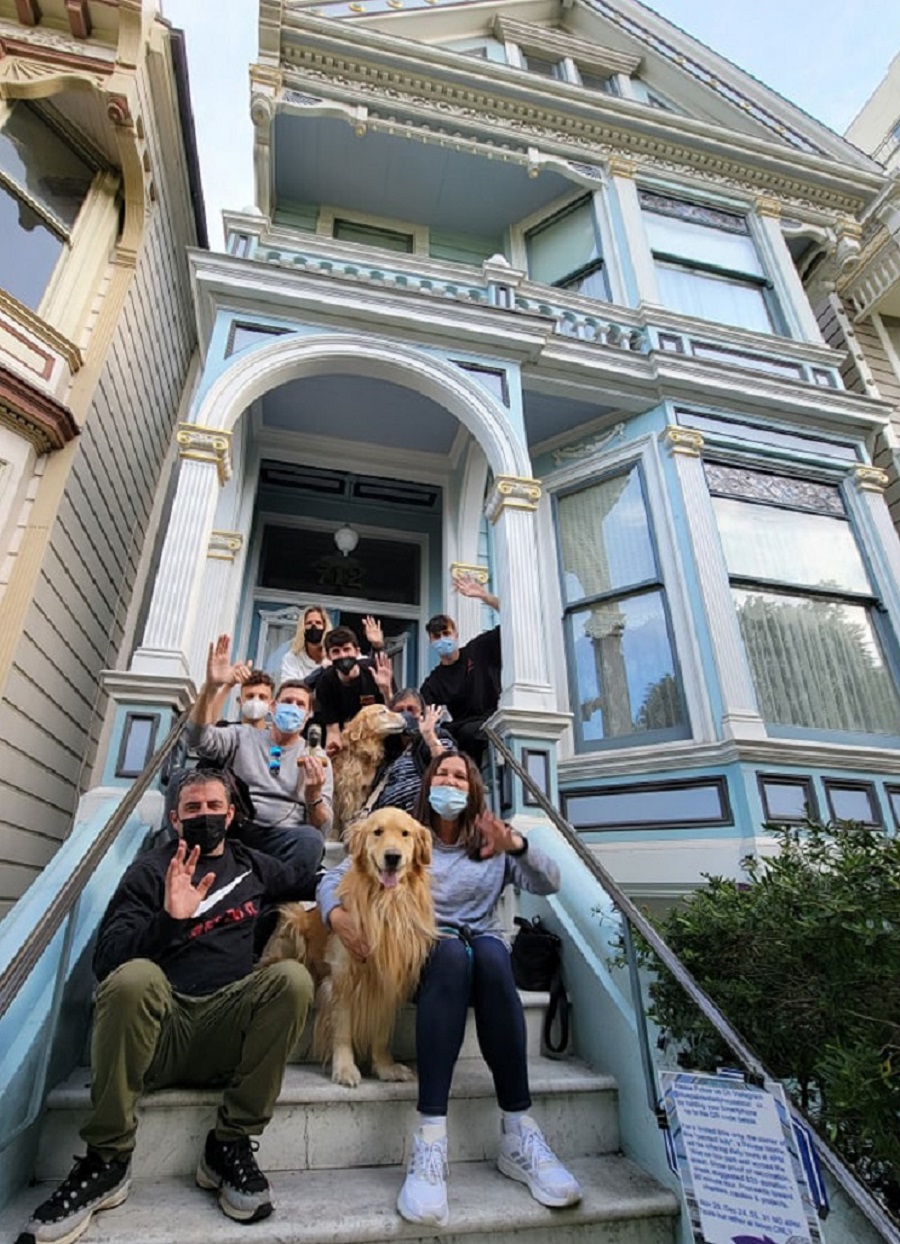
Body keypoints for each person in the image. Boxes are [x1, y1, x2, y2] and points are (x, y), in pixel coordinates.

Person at [19, 771, 314, 1242]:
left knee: (292, 980)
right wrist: (168, 921)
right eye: (193, 809)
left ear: (231, 814)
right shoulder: (149, 872)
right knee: (135, 977)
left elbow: (314, 881)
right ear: (175, 819)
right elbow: (107, 960)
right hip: (160, 1034)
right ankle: (108, 1158)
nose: (205, 816)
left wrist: (340, 904)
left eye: (214, 806)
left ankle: (228, 1144)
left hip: (225, 1028)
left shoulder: (252, 867)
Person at [317, 751, 581, 1228]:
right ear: (428, 783)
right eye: (441, 773)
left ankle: (520, 1132)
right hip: (432, 963)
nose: (450, 782)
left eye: (460, 776)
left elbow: (552, 882)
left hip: (485, 961)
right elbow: (335, 877)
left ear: (473, 788)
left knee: (495, 954)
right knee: (453, 952)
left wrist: (516, 844)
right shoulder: (404, 835)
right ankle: (431, 1139)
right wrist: (335, 916)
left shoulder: (490, 845)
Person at [186, 635, 332, 890]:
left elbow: (323, 828)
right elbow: (198, 739)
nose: (293, 708)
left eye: (300, 705)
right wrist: (210, 687)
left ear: (308, 715)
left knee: (310, 841)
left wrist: (313, 795)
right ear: (273, 707)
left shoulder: (318, 758)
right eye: (287, 702)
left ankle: (260, 893)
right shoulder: (242, 735)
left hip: (283, 836)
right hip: (239, 829)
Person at [420, 573, 501, 766]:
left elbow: (514, 621)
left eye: (446, 633)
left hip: (490, 718)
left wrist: (485, 597)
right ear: (431, 641)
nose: (442, 639)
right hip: (460, 728)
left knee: (467, 733)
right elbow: (428, 716)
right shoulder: (434, 683)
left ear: (455, 634)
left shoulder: (478, 649)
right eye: (437, 636)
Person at [315, 623, 394, 756]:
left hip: (380, 737)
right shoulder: (325, 682)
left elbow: (393, 713)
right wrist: (332, 749)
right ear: (328, 656)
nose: (342, 655)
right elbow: (332, 730)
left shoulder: (375, 670)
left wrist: (386, 689)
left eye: (347, 649)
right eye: (336, 651)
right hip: (347, 740)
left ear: (357, 652)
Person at [370, 689, 451, 815]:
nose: (405, 715)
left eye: (411, 709)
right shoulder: (385, 749)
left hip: (419, 815)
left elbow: (449, 766)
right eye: (400, 711)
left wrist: (430, 736)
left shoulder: (436, 737)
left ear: (423, 714)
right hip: (385, 819)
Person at [279, 604, 332, 685]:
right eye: (309, 623)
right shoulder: (291, 658)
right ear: (302, 628)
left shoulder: (333, 656)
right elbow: (288, 687)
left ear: (325, 627)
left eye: (318, 623)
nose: (313, 626)